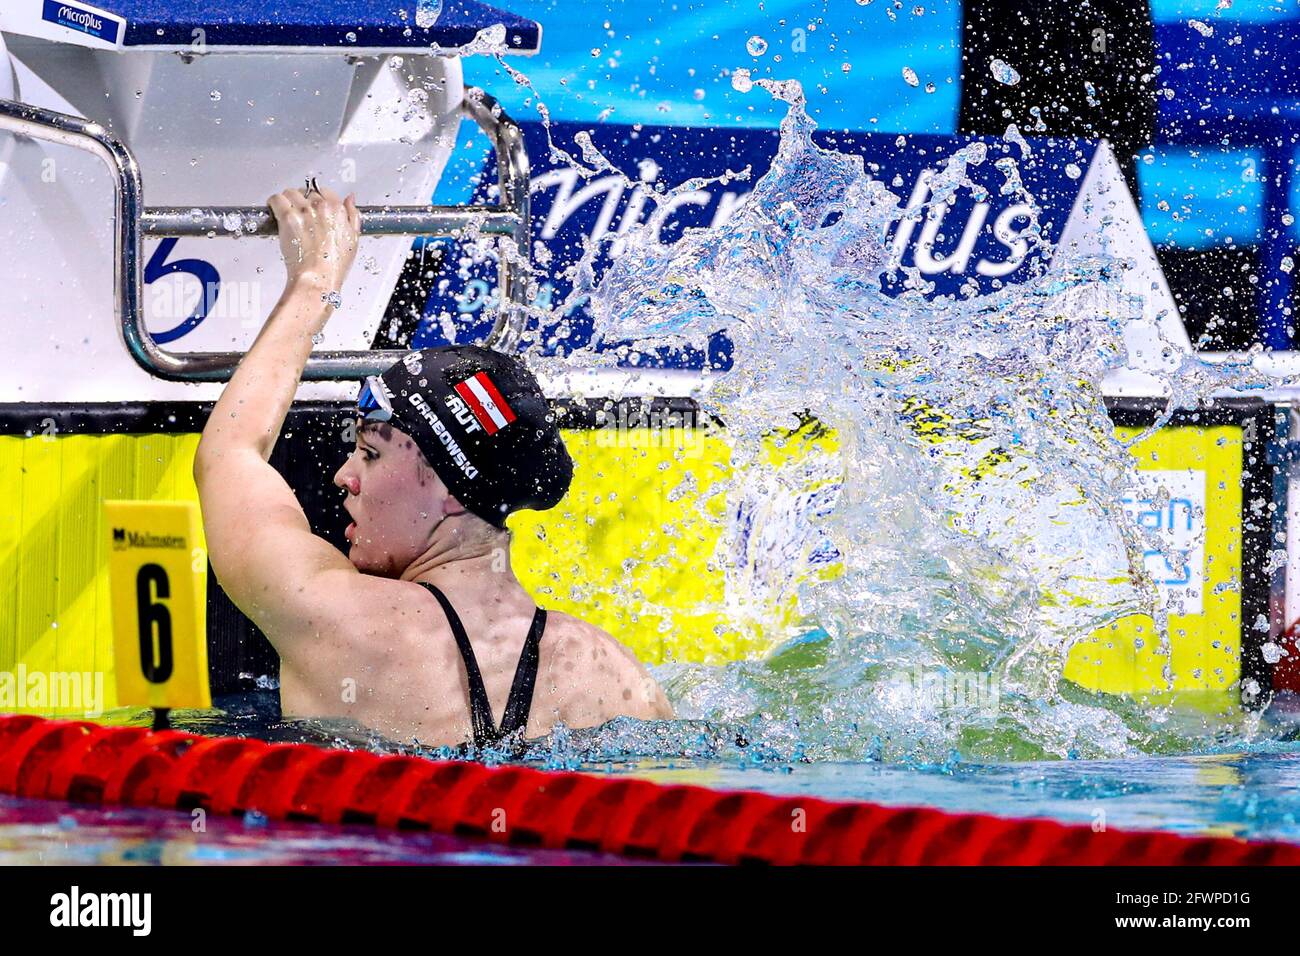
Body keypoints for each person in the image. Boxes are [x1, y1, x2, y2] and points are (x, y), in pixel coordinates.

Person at [193, 185, 673, 749]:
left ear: (450, 492)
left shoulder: (331, 615)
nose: (343, 477)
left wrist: (316, 280)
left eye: (370, 453)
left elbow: (229, 452)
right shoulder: (613, 675)